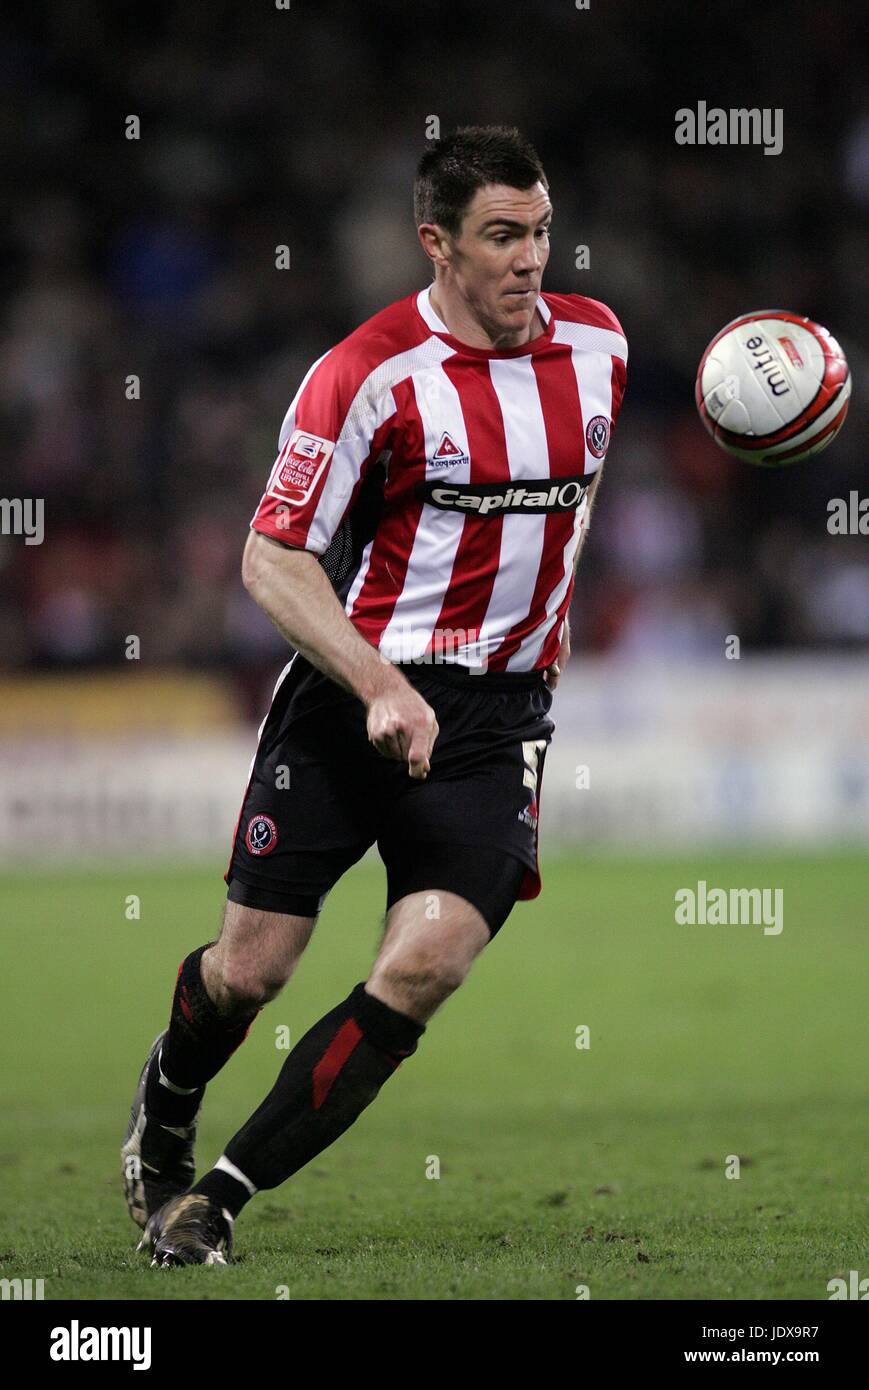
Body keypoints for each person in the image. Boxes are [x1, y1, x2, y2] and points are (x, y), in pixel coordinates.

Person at [122, 124, 628, 1266]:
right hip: (357, 697)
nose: (529, 259)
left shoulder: (599, 347)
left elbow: (575, 497)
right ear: (435, 243)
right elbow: (271, 557)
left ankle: (218, 1197)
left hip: (496, 722)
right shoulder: (366, 372)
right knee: (250, 970)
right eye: (501, 236)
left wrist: (540, 638)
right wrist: (379, 681)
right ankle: (165, 1096)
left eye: (541, 231)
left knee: (428, 960)